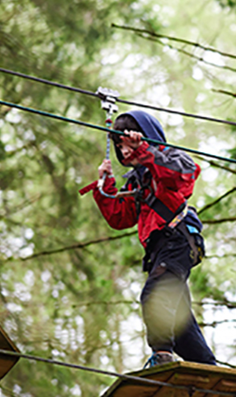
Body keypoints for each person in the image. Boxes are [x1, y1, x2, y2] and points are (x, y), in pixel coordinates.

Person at [79, 110, 216, 368]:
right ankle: (210, 370)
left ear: (144, 137)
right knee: (180, 324)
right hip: (160, 251)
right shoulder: (137, 180)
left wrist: (144, 150)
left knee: (155, 296)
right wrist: (106, 186)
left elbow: (182, 178)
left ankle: (162, 358)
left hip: (179, 238)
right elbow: (121, 217)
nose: (124, 151)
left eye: (127, 142)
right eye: (119, 146)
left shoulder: (171, 159)